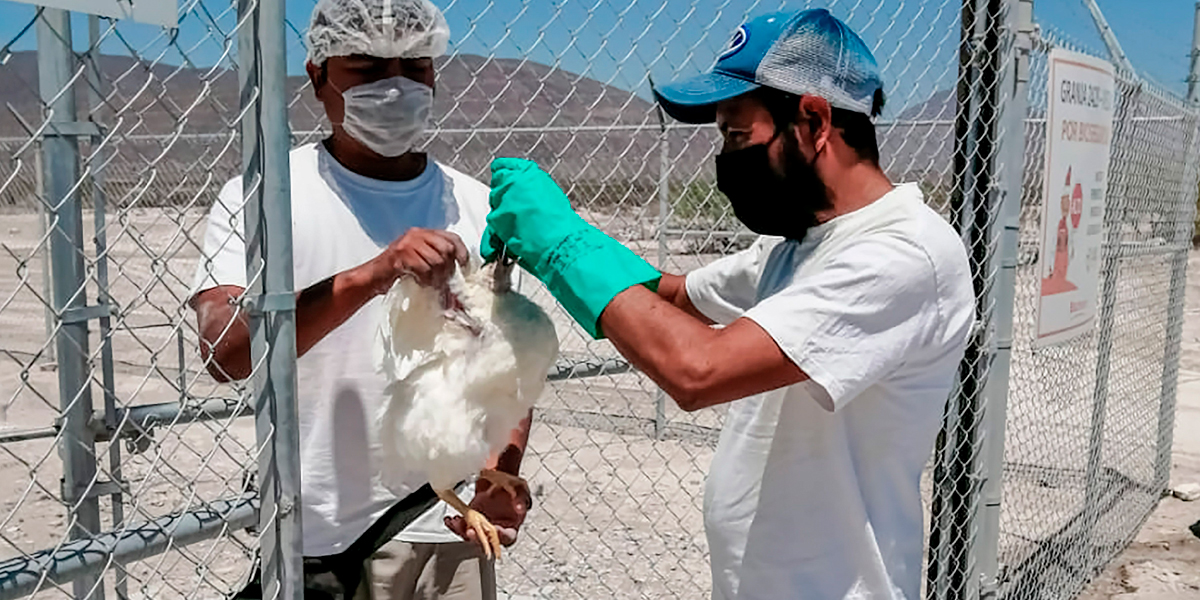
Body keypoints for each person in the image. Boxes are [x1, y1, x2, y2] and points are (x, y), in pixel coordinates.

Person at [483, 8, 975, 600]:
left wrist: (558, 241)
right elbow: (674, 295)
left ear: (814, 119)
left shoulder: (902, 255)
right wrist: (557, 231)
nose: (724, 157)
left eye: (737, 135)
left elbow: (699, 370)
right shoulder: (801, 241)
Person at [189, 0, 531, 597]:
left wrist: (500, 475)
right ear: (318, 74)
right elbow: (226, 351)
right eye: (368, 68)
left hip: (447, 528)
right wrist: (370, 276)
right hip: (319, 533)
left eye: (413, 67)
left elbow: (510, 369)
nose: (395, 87)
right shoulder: (268, 197)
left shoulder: (477, 206)